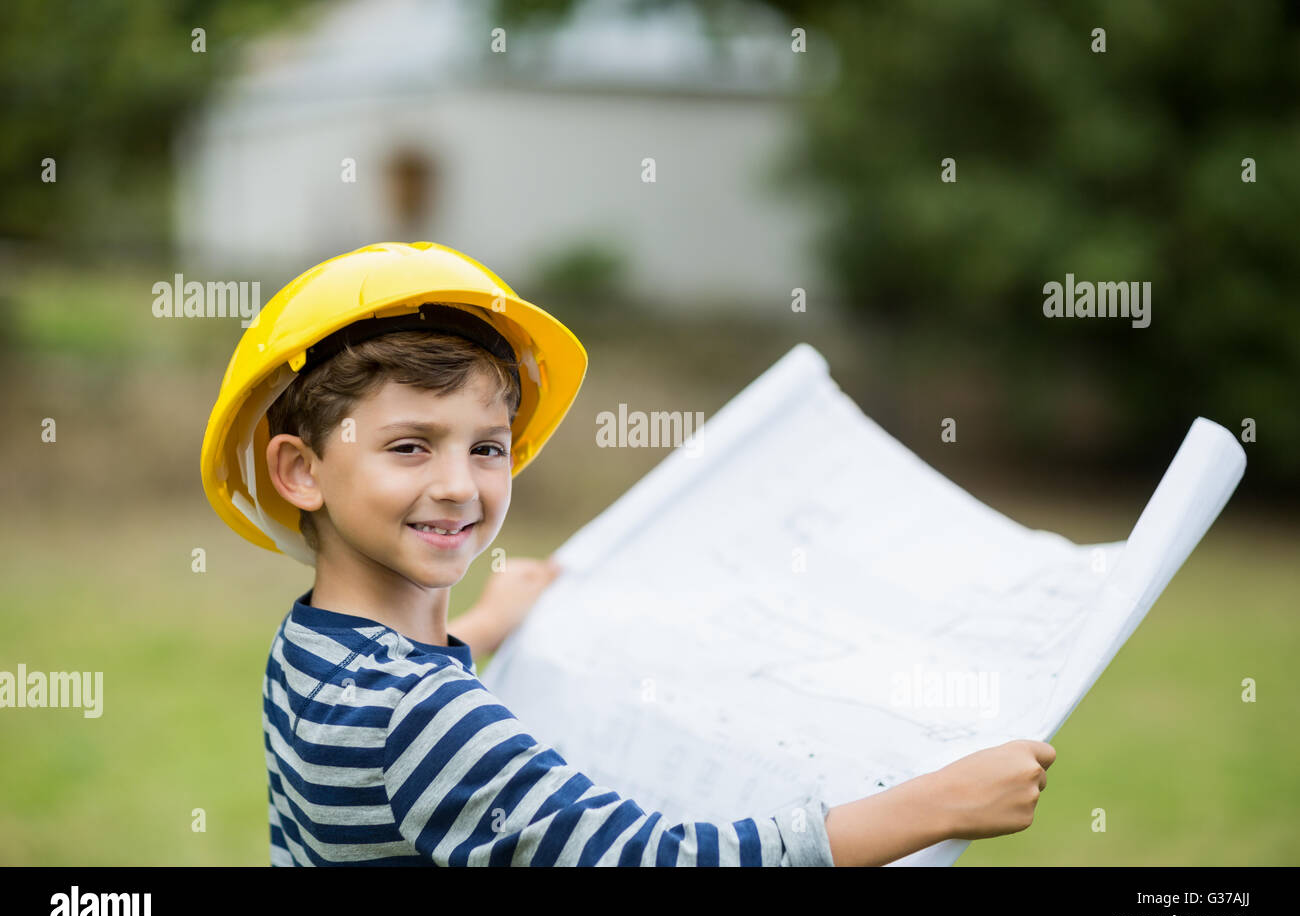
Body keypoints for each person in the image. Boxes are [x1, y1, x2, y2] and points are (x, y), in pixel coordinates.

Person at [199, 241, 1055, 866]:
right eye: (411, 447)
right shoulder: (423, 718)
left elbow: (393, 715)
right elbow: (661, 860)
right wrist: (934, 805)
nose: (460, 485)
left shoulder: (312, 650)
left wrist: (486, 621)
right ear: (301, 470)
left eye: (488, 447)